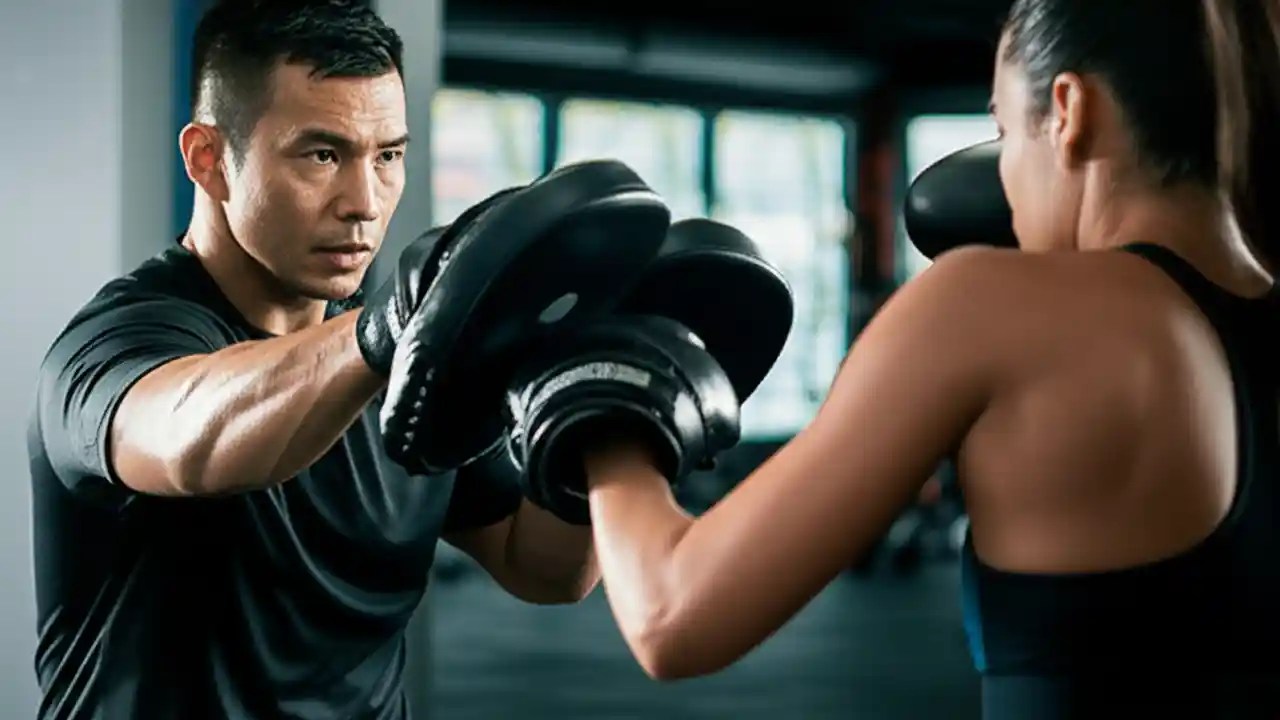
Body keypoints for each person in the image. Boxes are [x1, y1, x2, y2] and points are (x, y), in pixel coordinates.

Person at [504, 0, 1280, 716]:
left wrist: (605, 404)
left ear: (1069, 112)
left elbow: (672, 615)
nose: (1004, 175)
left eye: (1006, 131)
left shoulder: (992, 302)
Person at [27, 2, 605, 718]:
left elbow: (542, 568)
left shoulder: (410, 358)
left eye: (388, 155)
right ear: (209, 160)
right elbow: (191, 445)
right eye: (321, 155)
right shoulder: (118, 342)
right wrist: (389, 331)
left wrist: (597, 423)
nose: (364, 202)